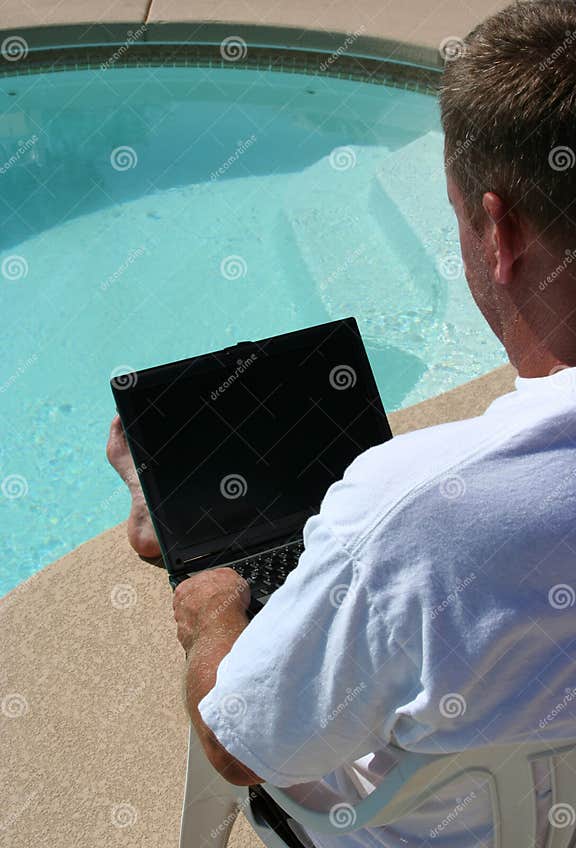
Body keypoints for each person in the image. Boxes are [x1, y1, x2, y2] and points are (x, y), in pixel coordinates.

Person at [107, 2, 576, 845]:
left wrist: (217, 615)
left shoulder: (412, 515)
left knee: (221, 600)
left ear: (499, 229)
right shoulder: (415, 511)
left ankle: (172, 518)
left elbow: (233, 740)